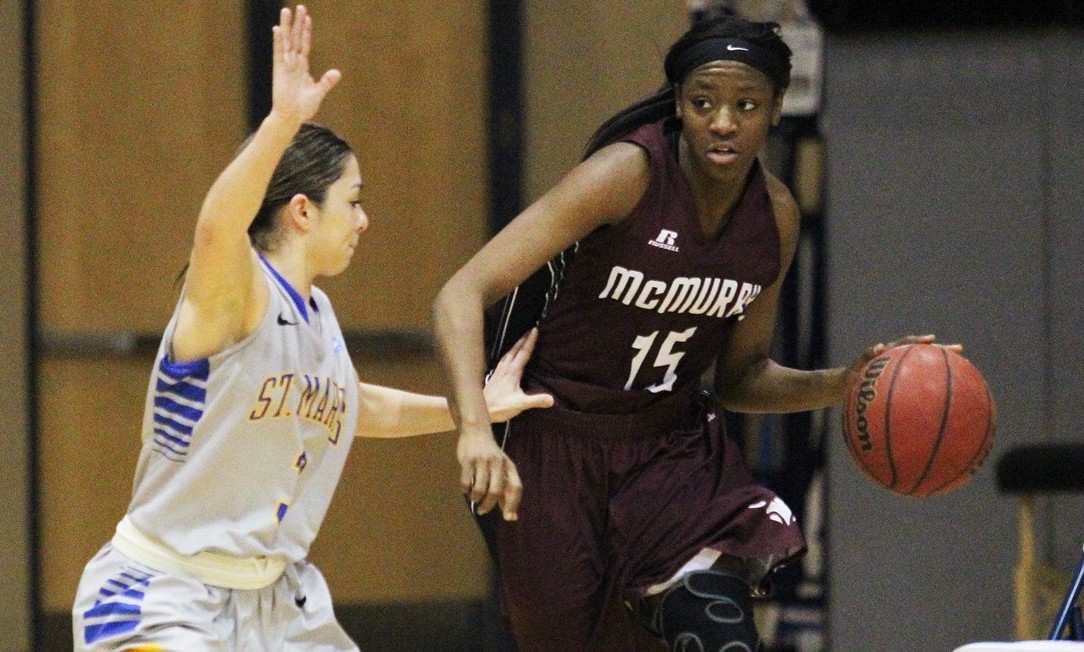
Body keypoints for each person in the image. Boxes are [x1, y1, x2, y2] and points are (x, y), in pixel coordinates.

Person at [433, 9, 950, 651]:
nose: (724, 122)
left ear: (776, 108)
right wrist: (475, 431)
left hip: (669, 453)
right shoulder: (626, 176)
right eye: (704, 102)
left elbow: (742, 376)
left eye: (746, 104)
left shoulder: (775, 219)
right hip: (553, 447)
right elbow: (459, 294)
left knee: (718, 631)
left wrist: (845, 383)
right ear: (679, 103)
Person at [71, 6, 551, 651]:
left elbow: (352, 405)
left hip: (279, 604)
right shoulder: (235, 293)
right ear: (302, 211)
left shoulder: (317, 315)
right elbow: (217, 226)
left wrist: (473, 410)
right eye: (352, 201)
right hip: (165, 595)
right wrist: (281, 124)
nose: (363, 220)